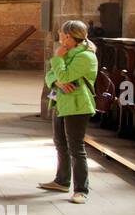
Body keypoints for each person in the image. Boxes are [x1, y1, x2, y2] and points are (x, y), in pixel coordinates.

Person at [39, 20, 99, 203]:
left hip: (78, 106)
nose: (59, 38)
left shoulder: (86, 57)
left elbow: (64, 74)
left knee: (76, 148)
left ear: (68, 36)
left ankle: (81, 190)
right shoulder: (67, 53)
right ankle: (62, 181)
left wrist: (57, 60)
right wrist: (56, 81)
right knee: (60, 144)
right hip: (61, 103)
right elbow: (51, 75)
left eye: (60, 35)